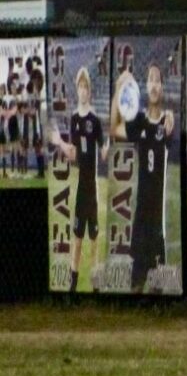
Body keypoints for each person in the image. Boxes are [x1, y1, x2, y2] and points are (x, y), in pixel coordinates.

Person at [115, 61, 174, 294]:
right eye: (150, 79)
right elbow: (115, 128)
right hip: (141, 214)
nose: (154, 84)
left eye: (157, 80)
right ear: (146, 86)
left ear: (162, 87)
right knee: (136, 285)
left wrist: (170, 115)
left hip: (158, 217)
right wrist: (118, 91)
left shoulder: (167, 123)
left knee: (157, 288)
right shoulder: (138, 121)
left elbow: (172, 132)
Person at [53, 63, 106, 288]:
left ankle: (95, 286)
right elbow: (73, 154)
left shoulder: (95, 120)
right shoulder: (74, 118)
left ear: (89, 90)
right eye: (80, 87)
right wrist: (61, 143)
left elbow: (103, 153)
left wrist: (109, 144)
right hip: (80, 192)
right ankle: (72, 288)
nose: (83, 90)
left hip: (92, 190)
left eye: (86, 86)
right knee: (76, 241)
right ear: (77, 89)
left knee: (94, 242)